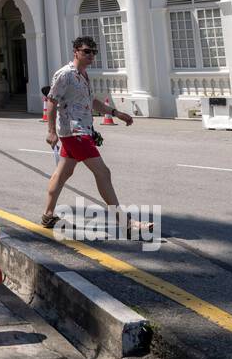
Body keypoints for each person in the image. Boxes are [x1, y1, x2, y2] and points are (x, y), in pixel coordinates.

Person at [42, 36, 151, 236]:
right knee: (103, 173)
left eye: (94, 52)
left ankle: (48, 215)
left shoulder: (83, 75)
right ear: (75, 51)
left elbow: (92, 102)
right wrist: (50, 131)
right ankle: (126, 224)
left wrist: (116, 113)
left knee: (63, 173)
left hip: (81, 131)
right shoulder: (65, 74)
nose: (91, 55)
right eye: (86, 51)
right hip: (75, 132)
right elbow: (51, 101)